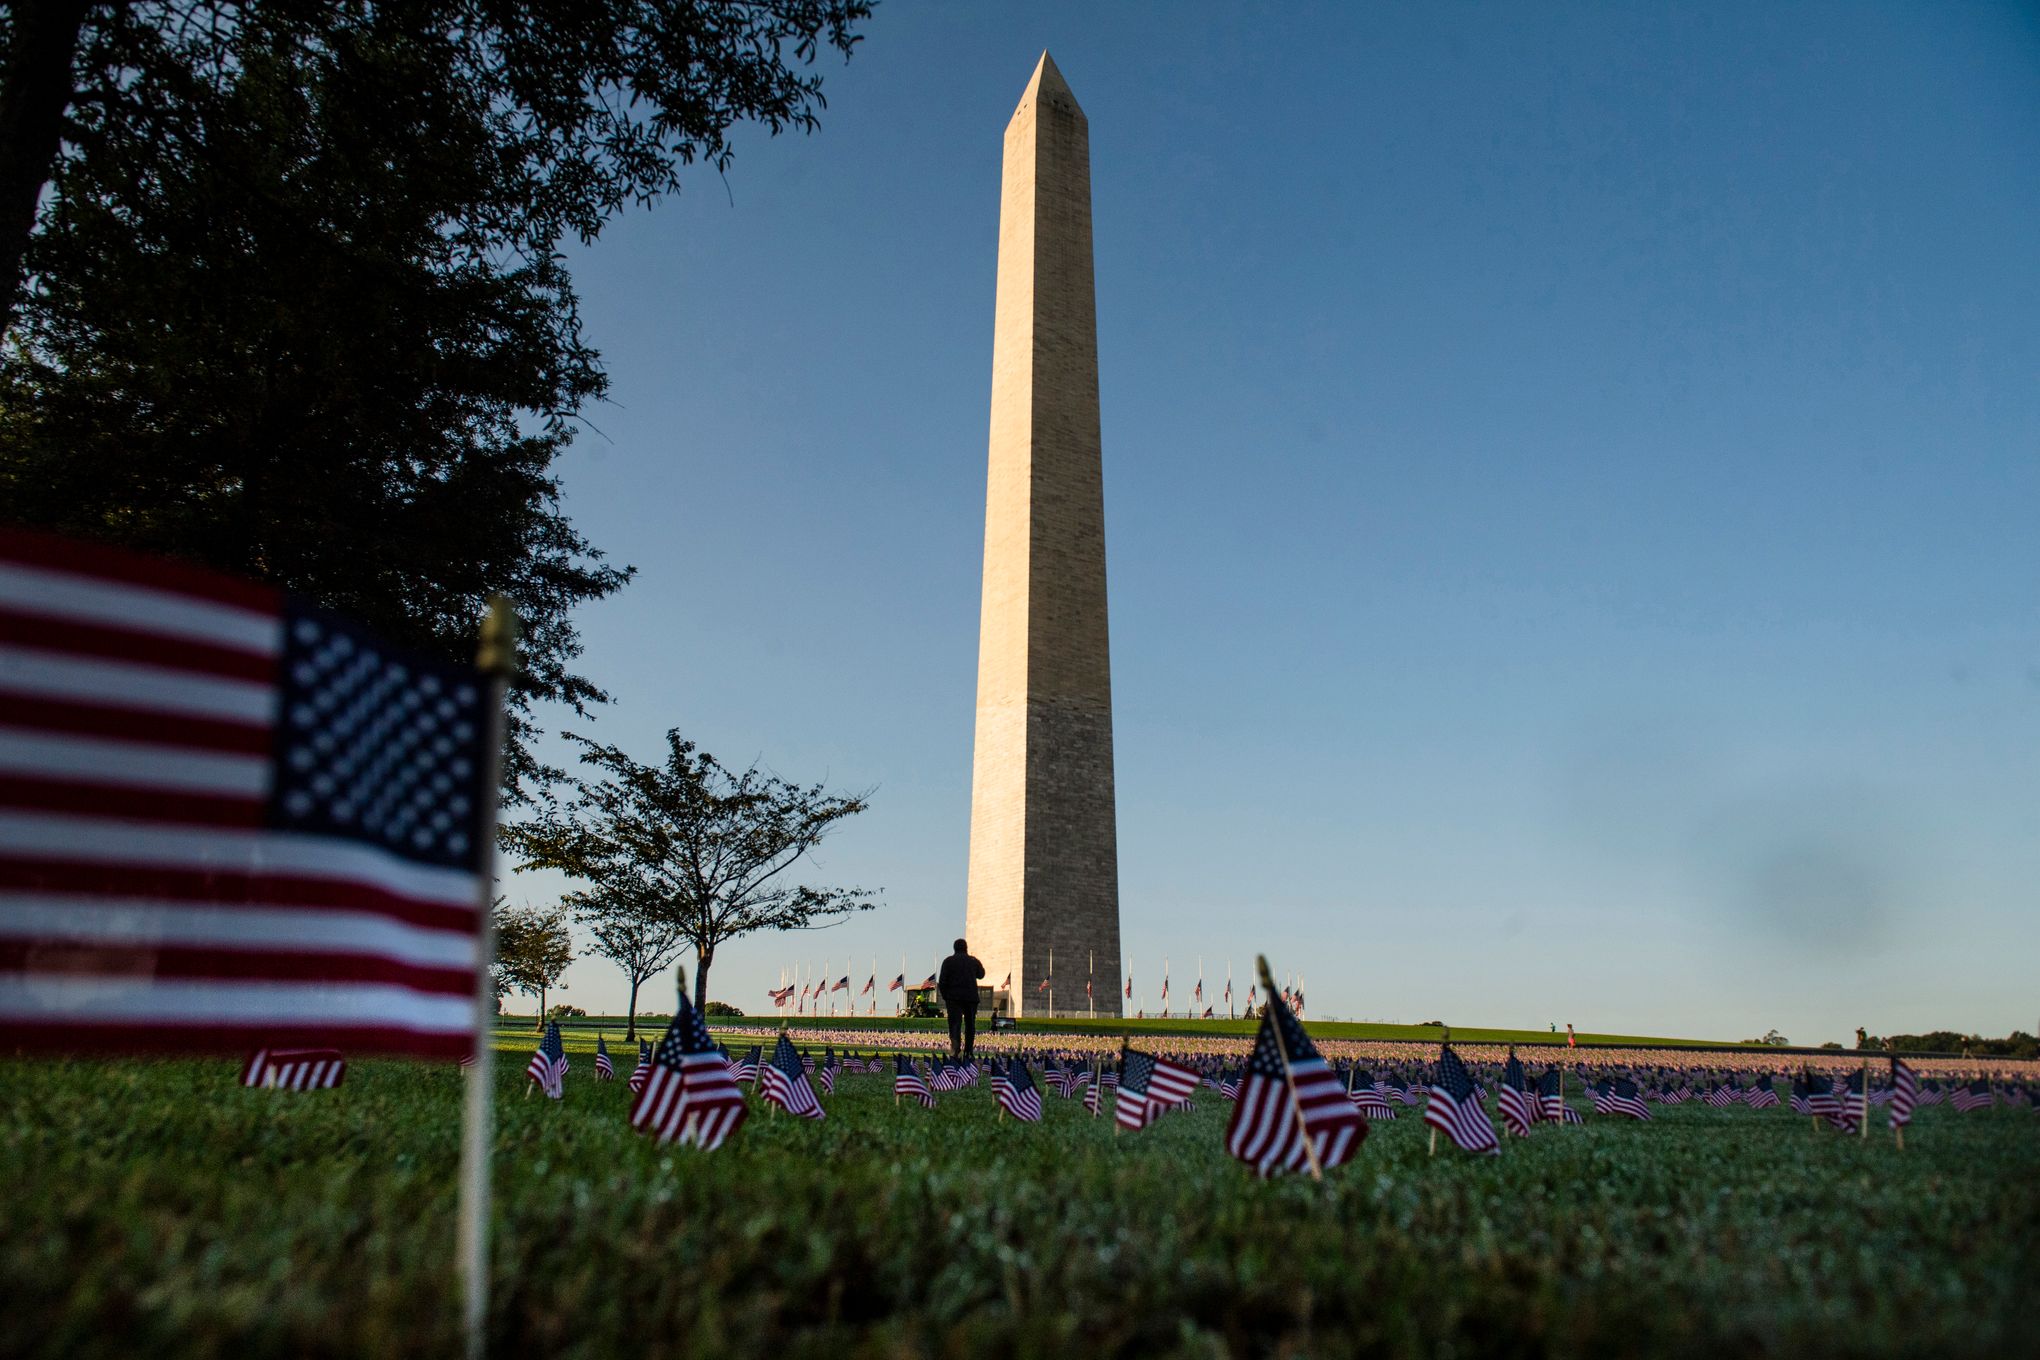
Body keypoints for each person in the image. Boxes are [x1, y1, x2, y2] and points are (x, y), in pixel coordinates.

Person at [937, 937, 985, 1059]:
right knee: (970, 1025)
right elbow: (981, 974)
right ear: (966, 948)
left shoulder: (948, 961)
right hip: (970, 998)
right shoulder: (973, 961)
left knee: (954, 1024)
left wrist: (946, 996)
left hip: (953, 999)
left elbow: (942, 982)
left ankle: (955, 1050)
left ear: (954, 948)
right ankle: (969, 1051)